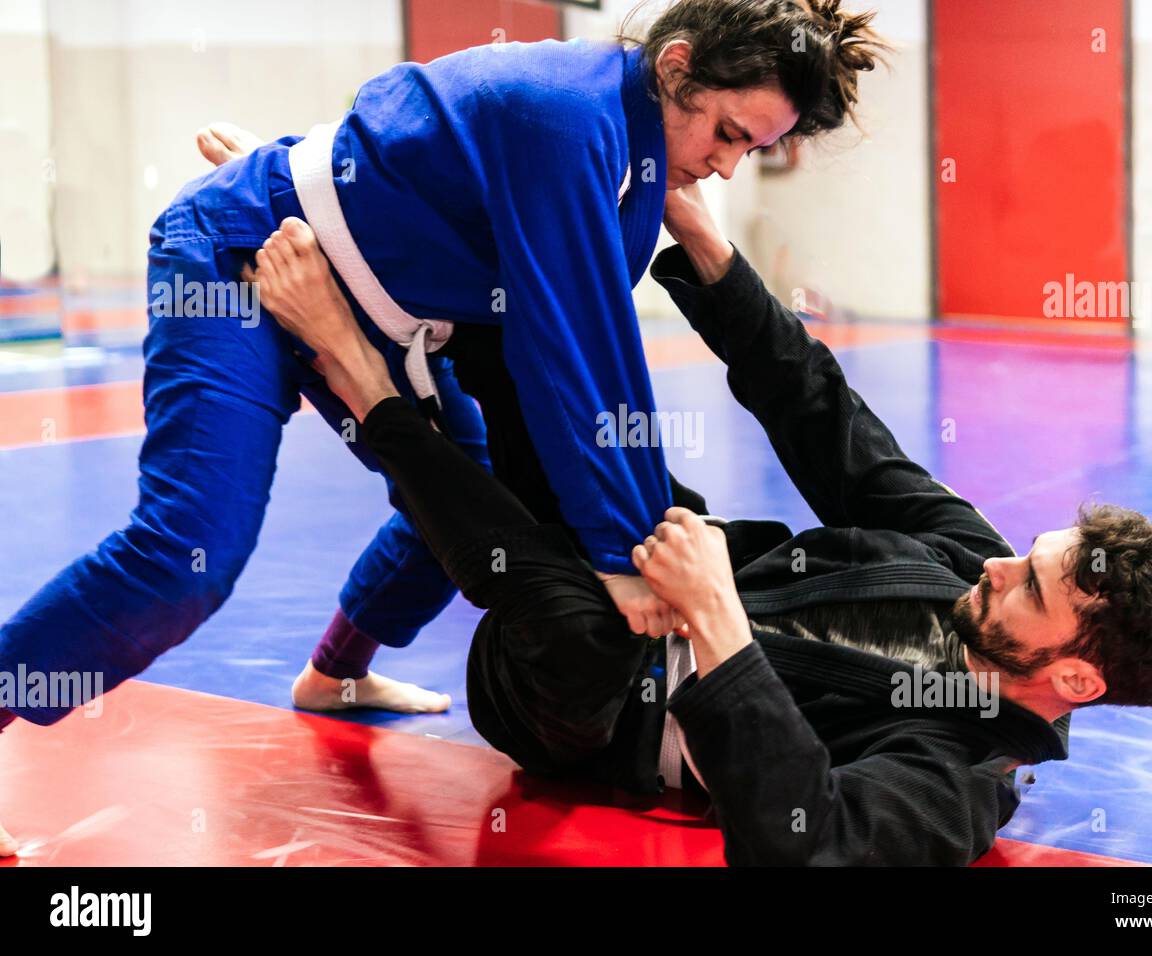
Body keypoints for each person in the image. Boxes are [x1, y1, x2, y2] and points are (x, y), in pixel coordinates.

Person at [228, 190, 1152, 865]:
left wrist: (717, 627)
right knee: (562, 392)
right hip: (653, 566)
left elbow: (806, 837)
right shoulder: (967, 566)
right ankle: (323, 214)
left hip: (571, 699)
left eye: (1034, 588)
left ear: (1072, 678)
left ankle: (360, 382)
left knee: (572, 616)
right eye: (1034, 551)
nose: (1002, 562)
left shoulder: (962, 778)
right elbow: (833, 430)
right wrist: (708, 246)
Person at [0, 0, 891, 758]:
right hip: (237, 263)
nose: (728, 165)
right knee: (189, 554)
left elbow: (422, 152)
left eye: (754, 151)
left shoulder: (636, 142)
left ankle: (334, 674)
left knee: (461, 497)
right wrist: (624, 554)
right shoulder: (569, 112)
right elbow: (576, 346)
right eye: (730, 134)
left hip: (366, 305)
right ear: (677, 64)